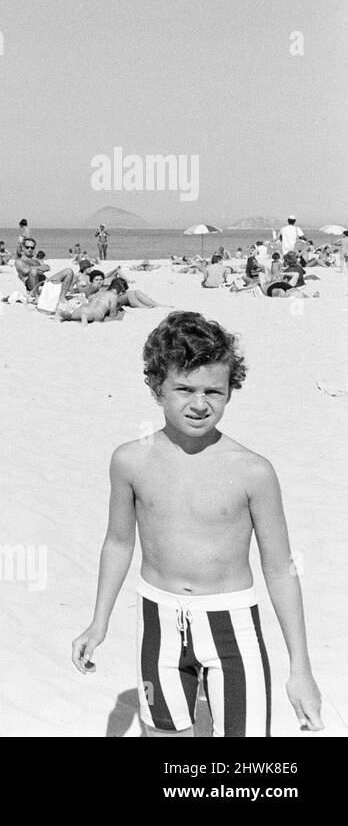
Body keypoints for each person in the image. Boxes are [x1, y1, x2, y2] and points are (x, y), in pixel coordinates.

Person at [72, 312, 322, 736]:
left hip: (232, 626)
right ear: (156, 388)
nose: (200, 403)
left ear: (230, 391)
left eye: (213, 391)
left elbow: (279, 568)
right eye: (184, 389)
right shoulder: (130, 460)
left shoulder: (253, 471)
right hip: (157, 620)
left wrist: (301, 668)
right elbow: (118, 544)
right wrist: (99, 622)